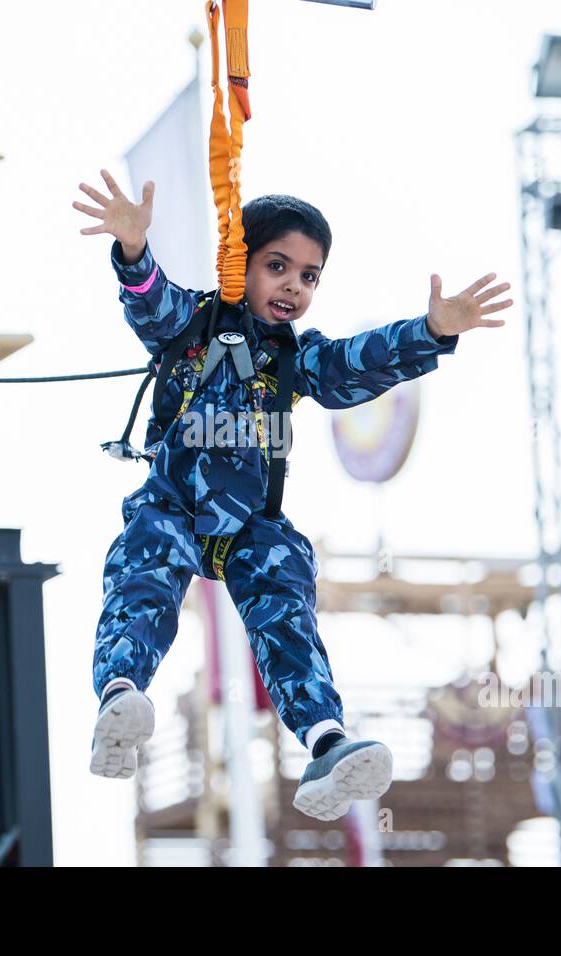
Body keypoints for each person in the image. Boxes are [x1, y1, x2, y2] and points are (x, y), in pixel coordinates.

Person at [74, 169, 513, 821]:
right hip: (175, 507)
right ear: (238, 263)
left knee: (287, 607)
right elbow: (150, 303)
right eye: (278, 266)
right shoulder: (191, 328)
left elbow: (353, 365)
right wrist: (135, 251)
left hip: (251, 526)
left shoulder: (294, 358)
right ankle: (120, 694)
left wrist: (429, 331)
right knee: (142, 575)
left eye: (309, 276)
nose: (294, 287)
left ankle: (325, 740)